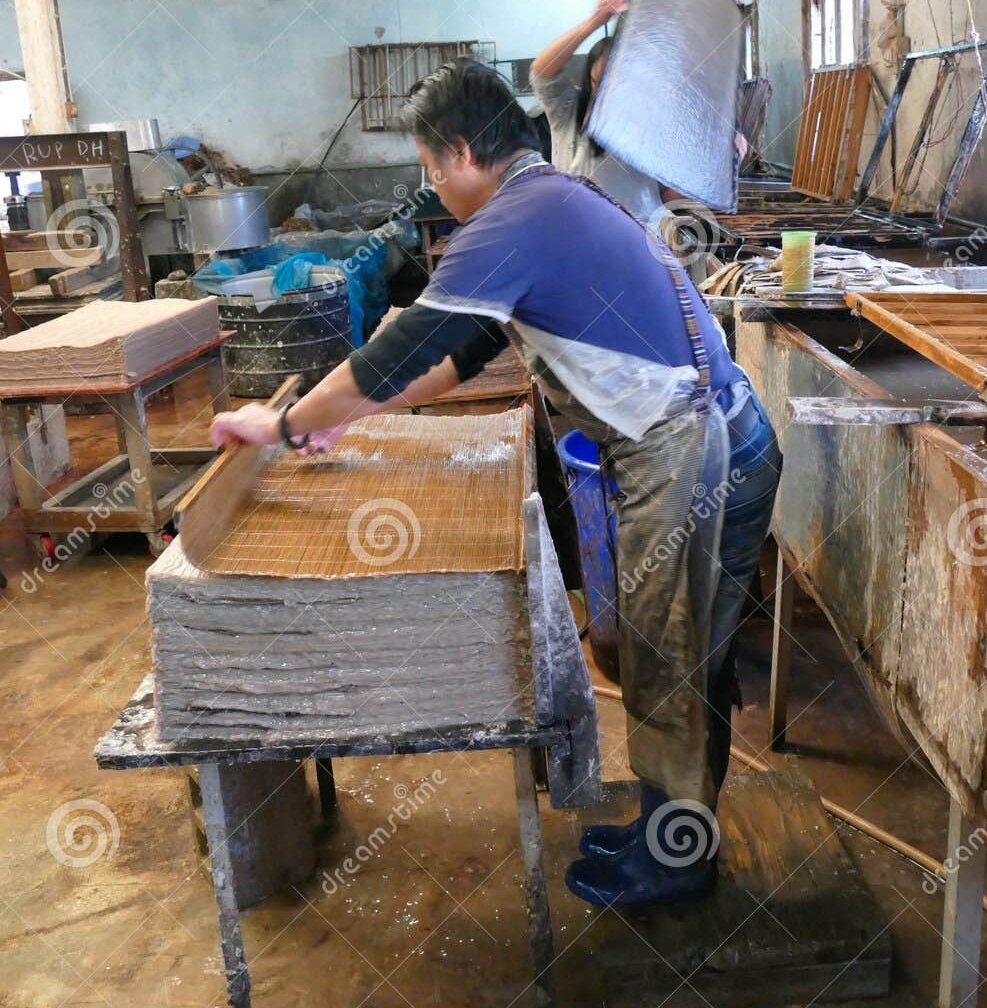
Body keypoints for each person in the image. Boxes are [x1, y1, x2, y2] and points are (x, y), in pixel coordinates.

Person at [210, 60, 781, 910]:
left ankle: (675, 861)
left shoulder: (518, 216)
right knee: (671, 651)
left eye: (431, 170)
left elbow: (406, 349)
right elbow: (455, 354)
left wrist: (284, 425)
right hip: (700, 440)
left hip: (698, 452)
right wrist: (343, 416)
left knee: (673, 655)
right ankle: (669, 825)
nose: (431, 188)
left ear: (466, 152)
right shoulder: (544, 199)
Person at [530, 0, 662, 221]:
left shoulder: (650, 121)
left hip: (641, 236)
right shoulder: (568, 111)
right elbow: (541, 71)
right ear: (590, 78)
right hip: (578, 232)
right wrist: (595, 21)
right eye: (599, 83)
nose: (607, 96)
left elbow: (671, 189)